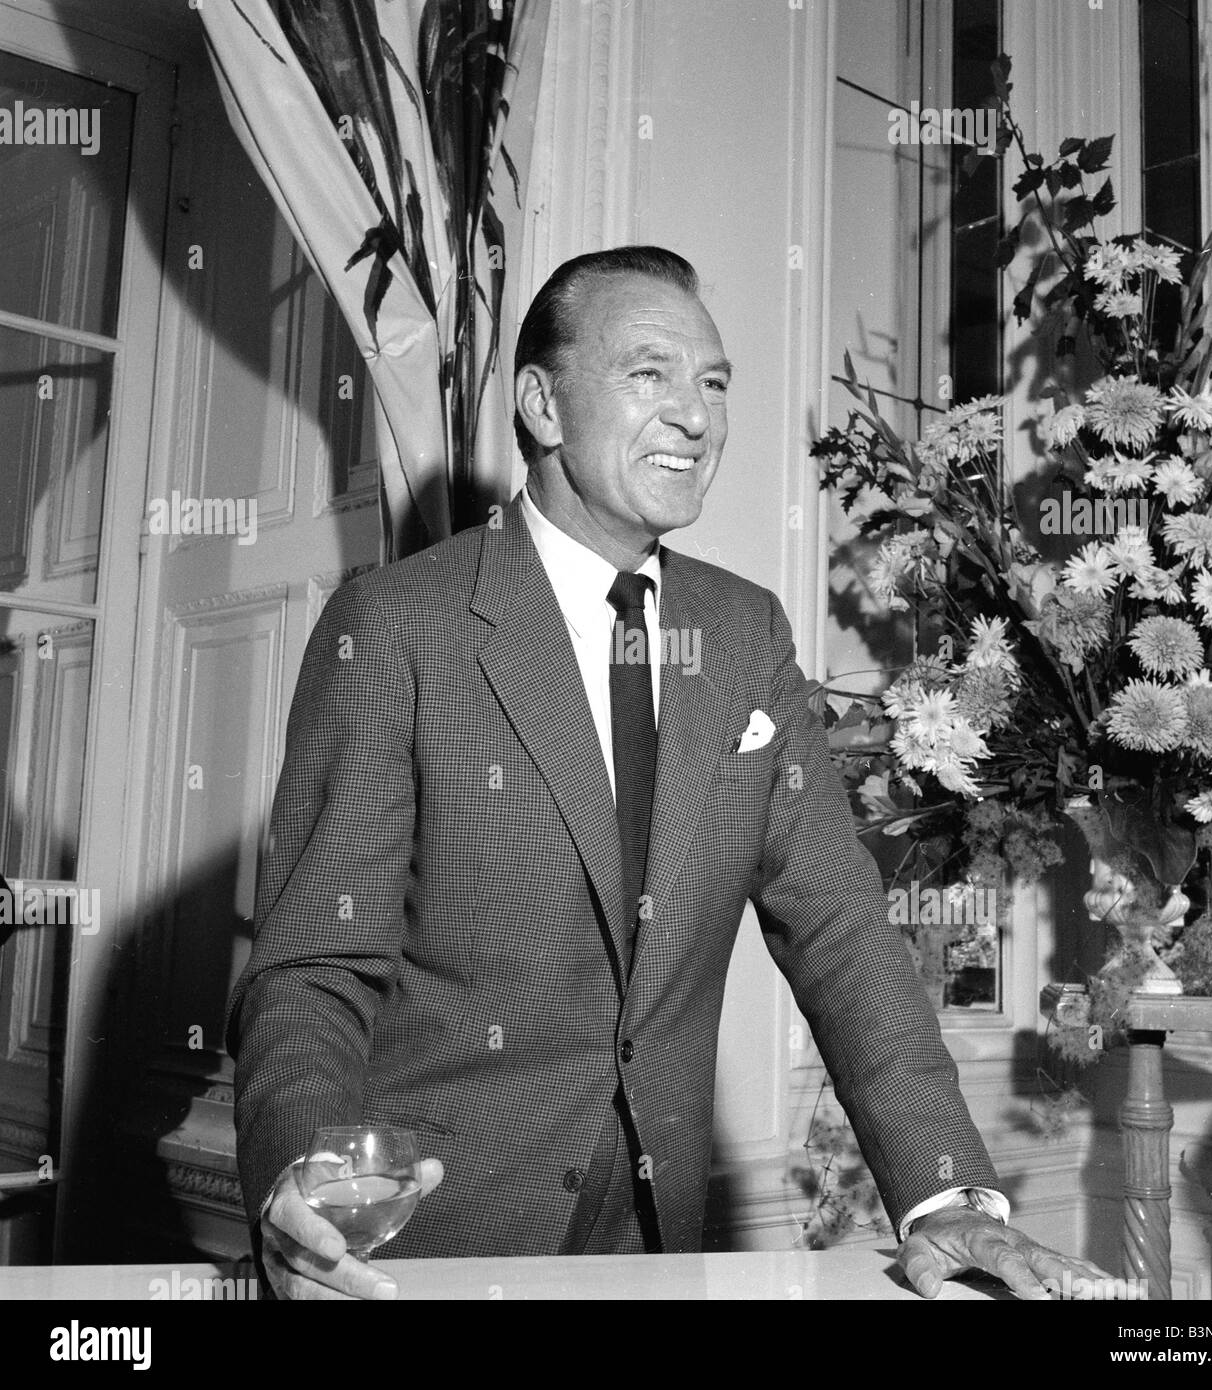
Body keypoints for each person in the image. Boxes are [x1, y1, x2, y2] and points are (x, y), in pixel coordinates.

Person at [227, 246, 1111, 1300]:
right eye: (649, 374)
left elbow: (839, 928)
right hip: (419, 1251)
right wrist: (306, 1185)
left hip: (658, 1249)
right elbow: (313, 968)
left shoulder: (742, 632)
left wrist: (948, 1196)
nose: (696, 417)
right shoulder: (393, 625)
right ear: (541, 406)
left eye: (714, 382)